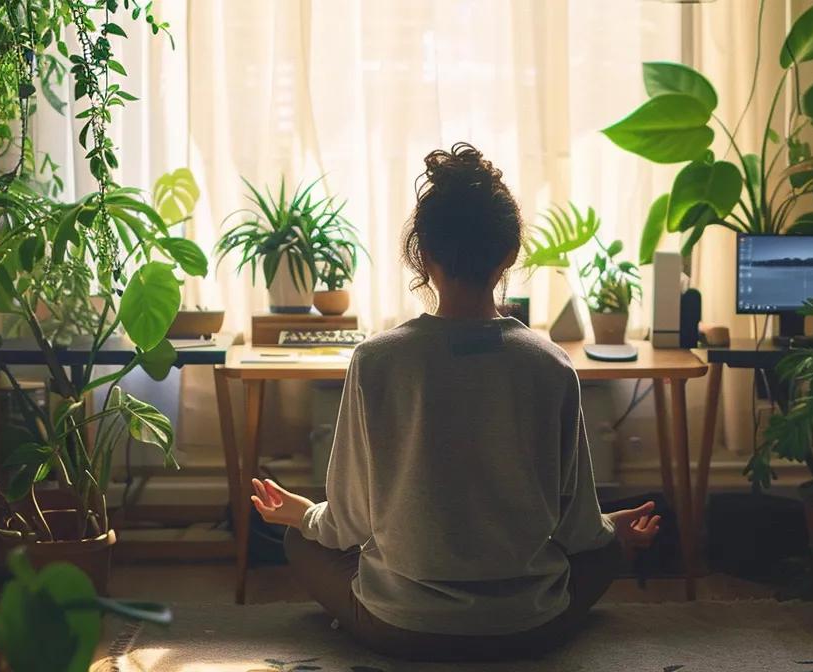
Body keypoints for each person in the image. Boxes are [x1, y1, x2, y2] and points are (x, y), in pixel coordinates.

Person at [250, 142, 662, 662]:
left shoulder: (376, 360)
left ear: (423, 256)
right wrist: (612, 533)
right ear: (510, 254)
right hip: (530, 627)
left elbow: (345, 528)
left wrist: (303, 514)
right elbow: (578, 532)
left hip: (401, 628)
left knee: (300, 543)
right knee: (602, 554)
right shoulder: (550, 363)